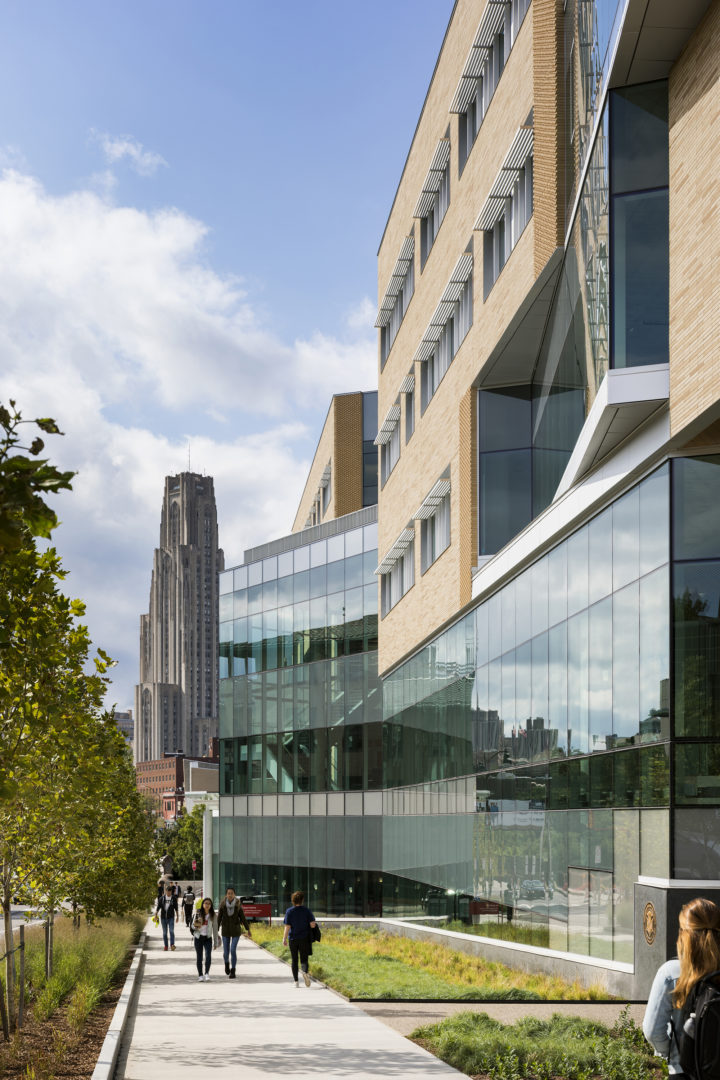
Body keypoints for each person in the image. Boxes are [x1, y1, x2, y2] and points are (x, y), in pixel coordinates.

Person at [643, 896, 720, 1075]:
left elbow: (652, 1030)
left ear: (684, 935)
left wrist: (673, 1052)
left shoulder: (671, 972)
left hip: (684, 1070)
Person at [282, 890, 317, 988]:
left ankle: (296, 982)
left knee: (294, 959)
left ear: (293, 900)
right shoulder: (307, 910)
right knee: (304, 959)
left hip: (293, 938)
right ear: (302, 900)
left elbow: (287, 926)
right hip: (304, 938)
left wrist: (284, 939)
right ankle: (305, 972)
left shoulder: (289, 911)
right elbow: (312, 925)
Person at [217, 886, 251, 979]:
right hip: (225, 930)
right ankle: (227, 963)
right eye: (228, 893)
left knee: (232, 950)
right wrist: (215, 930)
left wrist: (248, 929)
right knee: (226, 951)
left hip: (236, 930)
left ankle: (233, 970)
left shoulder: (238, 904)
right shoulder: (223, 905)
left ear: (234, 894)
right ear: (226, 894)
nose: (230, 895)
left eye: (232, 893)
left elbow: (243, 918)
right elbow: (219, 918)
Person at [192, 896, 219, 981]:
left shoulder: (213, 915)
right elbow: (192, 926)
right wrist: (196, 926)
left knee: (208, 956)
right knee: (199, 957)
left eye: (209, 904)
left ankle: (207, 973)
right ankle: (200, 975)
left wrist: (215, 943)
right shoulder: (198, 913)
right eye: (205, 903)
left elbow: (215, 929)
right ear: (203, 904)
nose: (207, 905)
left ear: (211, 906)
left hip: (208, 938)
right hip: (198, 937)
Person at [155, 884, 179, 951]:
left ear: (171, 892)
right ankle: (166, 946)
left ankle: (172, 945)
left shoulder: (174, 898)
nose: (169, 893)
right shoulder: (161, 898)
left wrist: (177, 917)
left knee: (171, 931)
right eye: (167, 891)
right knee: (165, 933)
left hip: (171, 917)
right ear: (165, 891)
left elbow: (176, 908)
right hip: (163, 918)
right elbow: (158, 907)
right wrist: (156, 914)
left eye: (170, 891)